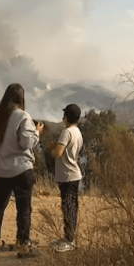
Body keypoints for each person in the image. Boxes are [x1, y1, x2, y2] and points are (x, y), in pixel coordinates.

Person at [0, 83, 44, 258]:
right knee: (24, 208)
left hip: (0, 169)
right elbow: (26, 143)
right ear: (21, 98)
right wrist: (37, 132)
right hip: (21, 169)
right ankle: (23, 245)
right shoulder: (23, 116)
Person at [49, 104, 83, 253]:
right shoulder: (77, 132)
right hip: (74, 174)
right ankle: (68, 237)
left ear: (67, 117)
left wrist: (52, 148)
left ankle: (70, 240)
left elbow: (58, 154)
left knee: (68, 207)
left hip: (67, 176)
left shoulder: (66, 132)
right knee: (71, 206)